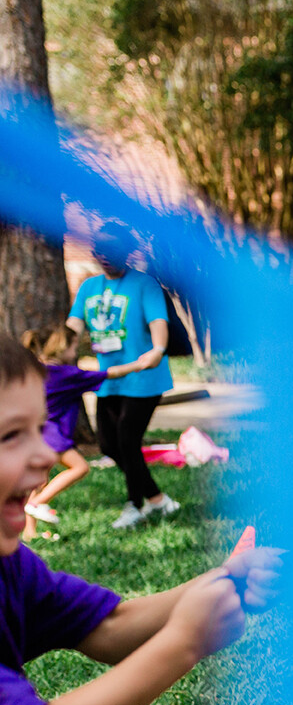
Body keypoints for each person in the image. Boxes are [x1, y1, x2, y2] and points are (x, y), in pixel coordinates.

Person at [0, 333, 281, 705]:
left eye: (40, 429)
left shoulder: (10, 565)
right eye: (12, 435)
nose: (45, 456)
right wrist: (183, 642)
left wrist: (225, 578)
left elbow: (111, 627)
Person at [66, 221, 179, 530]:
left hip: (144, 378)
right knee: (109, 447)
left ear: (128, 251)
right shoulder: (89, 287)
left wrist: (157, 350)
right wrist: (52, 350)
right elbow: (71, 330)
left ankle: (135, 506)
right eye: (98, 250)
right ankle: (158, 499)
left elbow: (159, 324)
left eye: (111, 250)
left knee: (128, 439)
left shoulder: (145, 284)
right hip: (108, 380)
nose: (103, 256)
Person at [19, 326, 134, 533]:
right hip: (54, 435)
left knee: (39, 481)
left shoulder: (37, 370)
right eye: (73, 347)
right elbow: (108, 373)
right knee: (80, 468)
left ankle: (29, 532)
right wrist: (139, 364)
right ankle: (36, 505)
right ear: (62, 348)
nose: (75, 352)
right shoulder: (65, 374)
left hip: (37, 432)